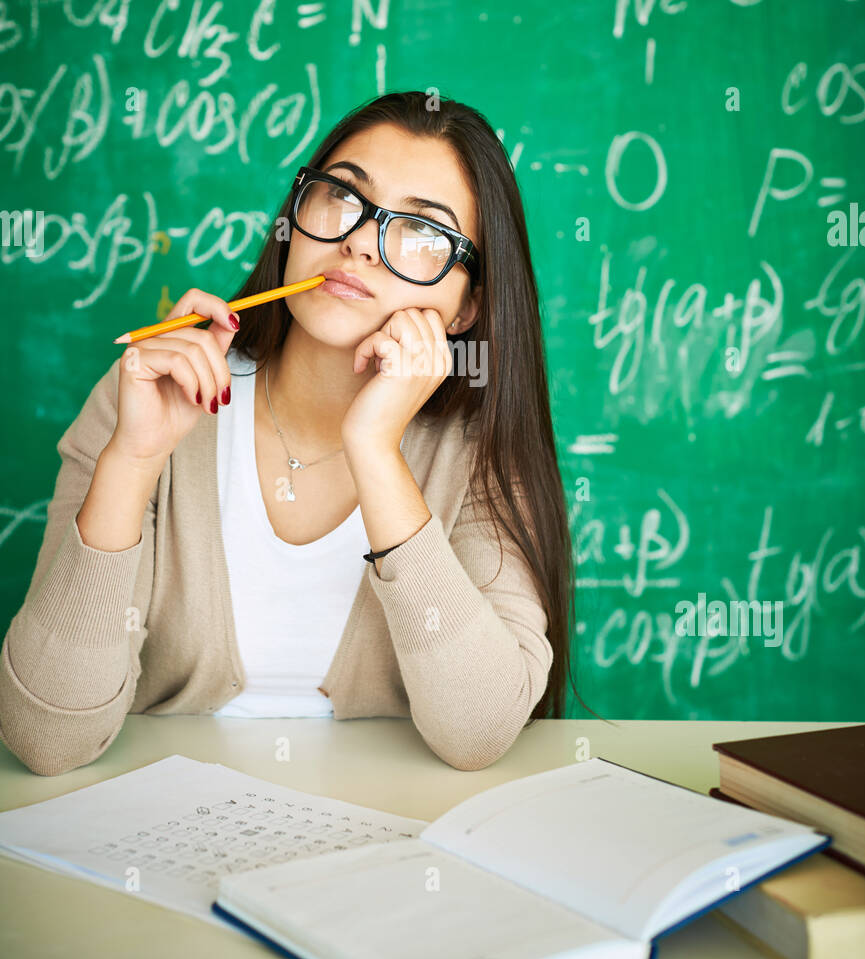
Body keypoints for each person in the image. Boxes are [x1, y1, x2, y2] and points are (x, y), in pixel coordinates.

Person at [0, 91, 584, 777]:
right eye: (341, 196)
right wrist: (131, 460)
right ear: (292, 223)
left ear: (466, 309)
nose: (359, 241)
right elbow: (47, 740)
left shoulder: (479, 454)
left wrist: (374, 448)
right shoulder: (150, 394)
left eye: (423, 235)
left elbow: (477, 733)